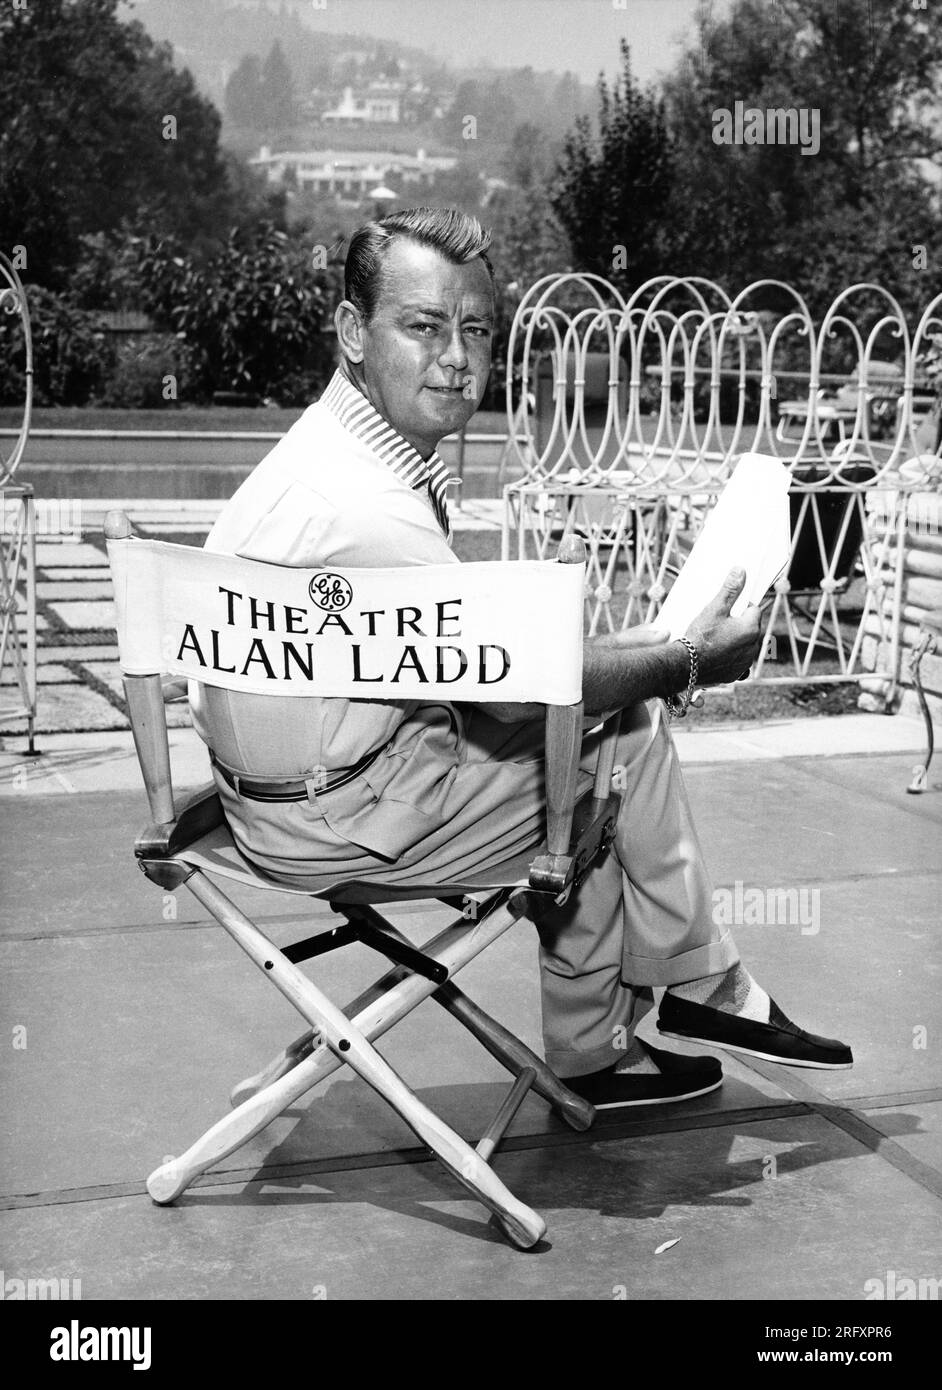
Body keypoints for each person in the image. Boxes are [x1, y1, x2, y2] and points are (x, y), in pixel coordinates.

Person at [190, 207, 852, 1109]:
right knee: (622, 741)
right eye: (423, 327)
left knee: (613, 712)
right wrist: (688, 662)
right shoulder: (367, 505)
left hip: (265, 801)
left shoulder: (322, 456)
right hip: (334, 825)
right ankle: (691, 997)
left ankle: (635, 1028)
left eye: (474, 331)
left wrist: (659, 642)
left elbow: (493, 663)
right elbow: (519, 699)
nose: (457, 357)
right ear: (353, 333)